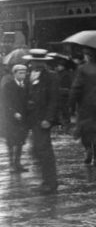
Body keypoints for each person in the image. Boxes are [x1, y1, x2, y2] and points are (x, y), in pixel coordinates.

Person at [24, 49, 60, 193]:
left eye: (38, 61)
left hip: (43, 119)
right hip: (32, 118)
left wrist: (48, 119)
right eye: (34, 61)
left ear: (44, 62)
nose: (35, 64)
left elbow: (54, 100)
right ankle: (47, 181)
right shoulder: (28, 76)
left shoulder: (51, 77)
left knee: (45, 151)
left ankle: (50, 183)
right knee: (38, 149)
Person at [68, 48, 96, 167]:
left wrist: (71, 104)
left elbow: (76, 88)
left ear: (87, 56)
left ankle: (88, 150)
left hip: (85, 105)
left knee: (85, 129)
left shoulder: (82, 69)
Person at [0, 63, 30, 173]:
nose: (23, 75)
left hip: (23, 119)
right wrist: (13, 113)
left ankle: (18, 163)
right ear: (14, 74)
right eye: (20, 73)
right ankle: (12, 164)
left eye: (24, 73)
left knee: (20, 141)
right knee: (11, 142)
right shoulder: (8, 86)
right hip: (10, 119)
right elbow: (4, 102)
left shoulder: (26, 85)